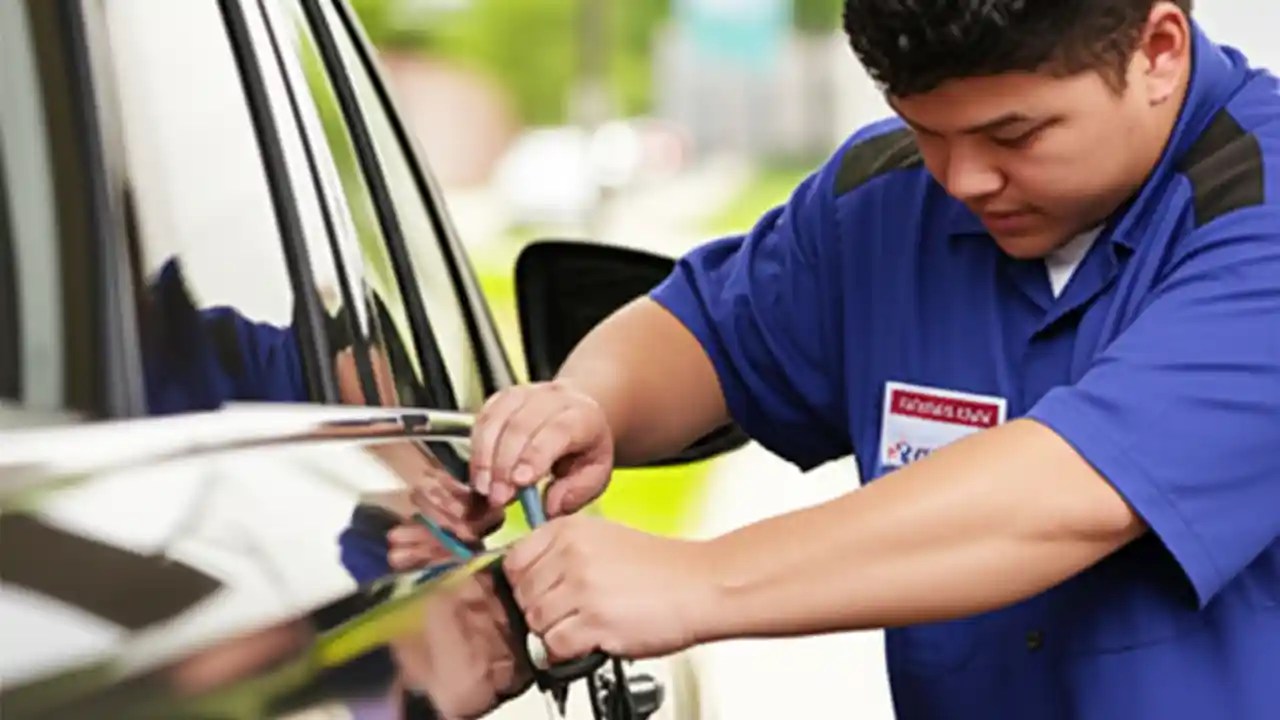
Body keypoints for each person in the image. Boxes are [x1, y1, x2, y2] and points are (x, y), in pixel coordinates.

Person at [406, 2, 1280, 718]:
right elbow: (704, 332)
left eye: (1014, 135)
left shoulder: (1262, 208)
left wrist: (693, 582)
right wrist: (587, 403)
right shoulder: (883, 200)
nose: (963, 180)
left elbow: (1073, 494)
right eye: (926, 130)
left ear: (1158, 51)